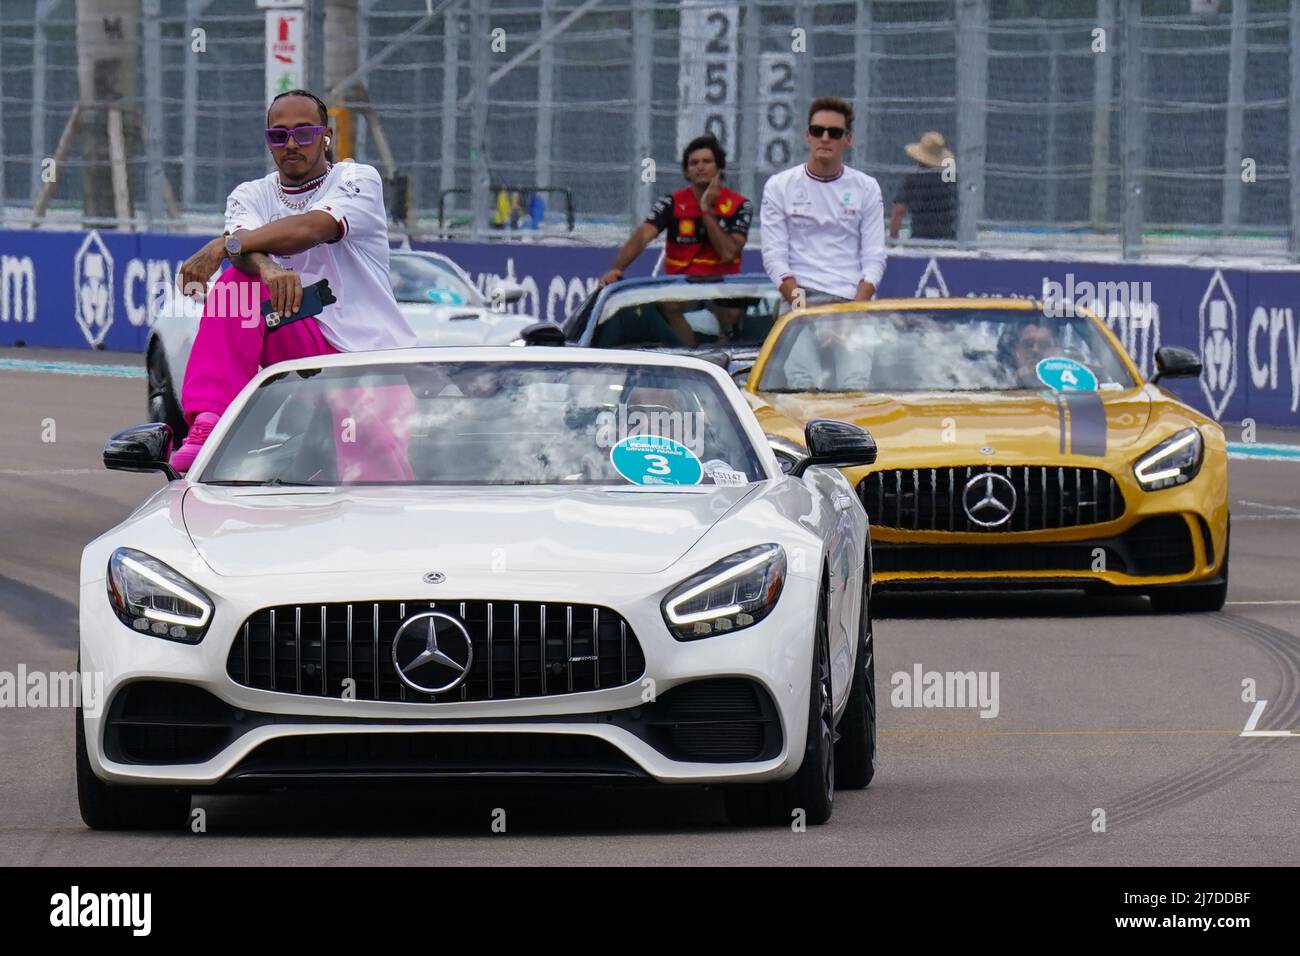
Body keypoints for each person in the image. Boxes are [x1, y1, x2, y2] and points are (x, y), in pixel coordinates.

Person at [170, 89, 417, 477]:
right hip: (300, 340)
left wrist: (222, 243)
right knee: (239, 282)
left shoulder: (357, 178)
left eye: (304, 133)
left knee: (378, 485)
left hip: (369, 357)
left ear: (326, 136)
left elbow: (313, 227)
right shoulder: (250, 193)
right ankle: (208, 423)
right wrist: (266, 268)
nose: (291, 144)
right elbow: (241, 253)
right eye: (278, 135)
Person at [598, 134, 753, 346]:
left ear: (720, 168)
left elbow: (728, 253)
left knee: (733, 311)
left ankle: (728, 351)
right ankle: (692, 356)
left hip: (723, 285)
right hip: (682, 285)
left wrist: (706, 210)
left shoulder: (740, 205)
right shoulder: (672, 202)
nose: (700, 167)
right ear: (686, 171)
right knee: (665, 305)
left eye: (707, 161)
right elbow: (643, 235)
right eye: (693, 163)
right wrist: (616, 269)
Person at [761, 97, 887, 314]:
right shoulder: (779, 186)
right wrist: (805, 312)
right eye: (818, 131)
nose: (825, 138)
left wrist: (852, 313)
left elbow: (874, 258)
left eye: (834, 133)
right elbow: (775, 259)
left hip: (851, 300)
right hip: (799, 302)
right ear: (808, 135)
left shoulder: (867, 187)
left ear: (847, 139)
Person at [889, 131, 957, 241]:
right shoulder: (950, 178)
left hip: (920, 237)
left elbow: (899, 211)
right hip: (948, 238)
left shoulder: (913, 179)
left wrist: (893, 236)